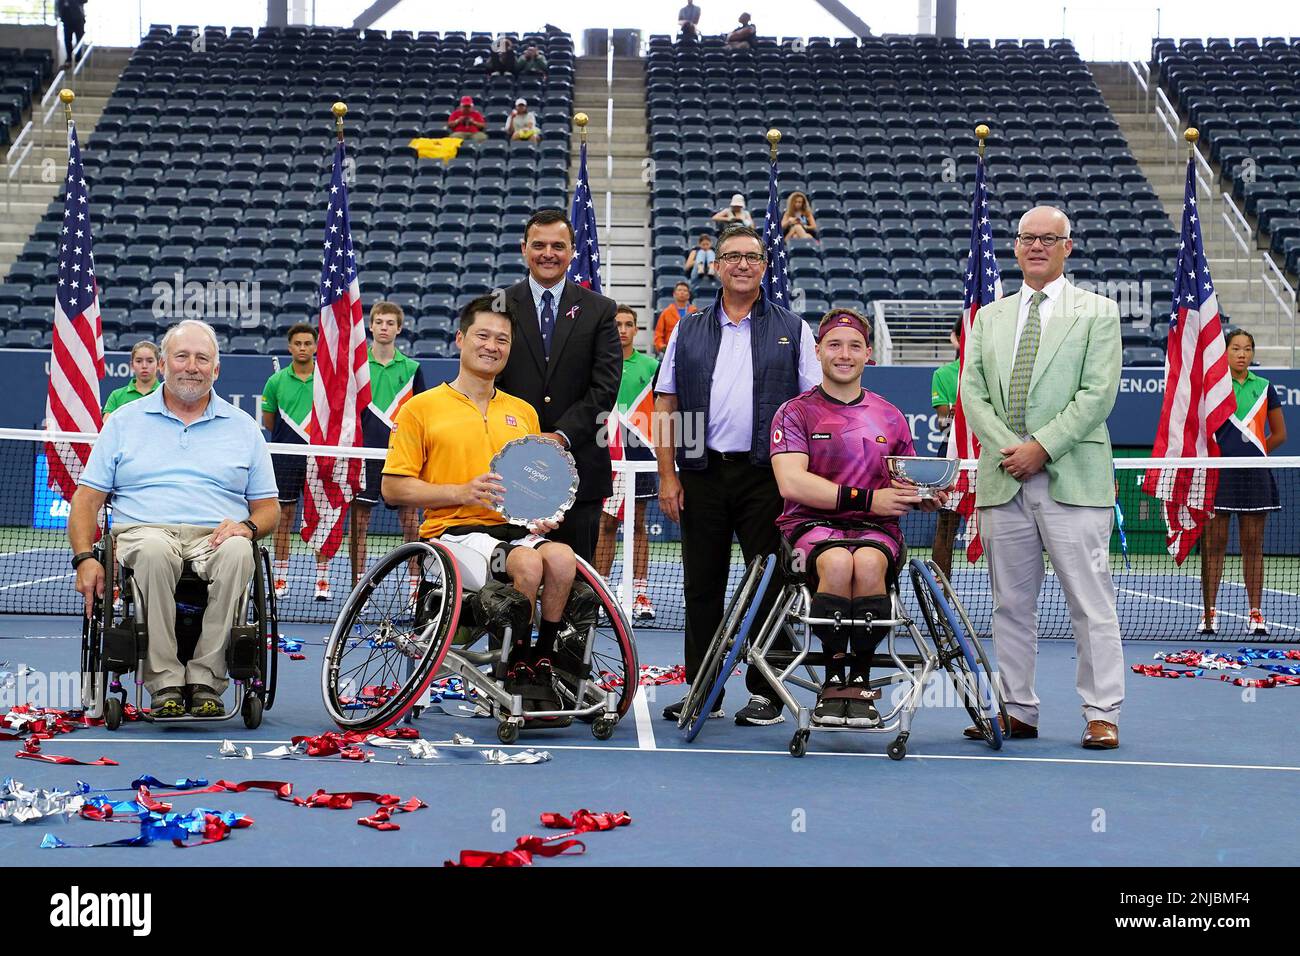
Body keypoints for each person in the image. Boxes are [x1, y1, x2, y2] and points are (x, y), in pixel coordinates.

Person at [959, 205, 1124, 750]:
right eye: (1028, 238)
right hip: (1003, 479)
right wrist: (1013, 451)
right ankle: (1016, 709)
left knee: (1090, 603)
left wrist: (1041, 448)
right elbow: (973, 393)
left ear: (1067, 248)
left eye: (1048, 239)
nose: (1036, 246)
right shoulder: (989, 316)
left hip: (1073, 480)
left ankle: (1102, 713)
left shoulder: (1098, 312)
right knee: (1011, 604)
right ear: (1015, 247)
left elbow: (1097, 396)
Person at [69, 319, 279, 718]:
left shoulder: (244, 428)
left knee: (240, 553)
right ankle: (164, 680)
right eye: (181, 356)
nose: (191, 366)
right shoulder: (123, 422)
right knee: (151, 551)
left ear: (215, 370)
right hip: (144, 531)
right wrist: (85, 558)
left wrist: (247, 527)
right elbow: (86, 500)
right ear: (163, 365)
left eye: (202, 358)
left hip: (215, 535)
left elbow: (269, 508)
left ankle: (206, 680)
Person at [655, 224, 821, 726]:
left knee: (770, 584)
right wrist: (668, 474)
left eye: (752, 256)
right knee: (701, 587)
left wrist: (802, 476)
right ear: (718, 266)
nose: (743, 264)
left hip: (766, 479)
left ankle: (766, 691)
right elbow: (667, 404)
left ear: (765, 266)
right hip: (702, 475)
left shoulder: (794, 328)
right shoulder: (688, 329)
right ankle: (702, 689)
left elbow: (813, 407)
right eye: (732, 257)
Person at [382, 295, 576, 711]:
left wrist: (540, 516)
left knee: (561, 558)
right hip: (450, 536)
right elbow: (394, 490)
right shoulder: (420, 408)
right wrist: (461, 492)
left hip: (511, 533)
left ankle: (538, 658)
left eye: (502, 340)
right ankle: (513, 669)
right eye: (482, 336)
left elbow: (529, 486)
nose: (492, 346)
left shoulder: (523, 413)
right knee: (526, 564)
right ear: (460, 339)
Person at [772, 310, 945, 726]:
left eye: (854, 346)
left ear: (869, 353)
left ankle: (860, 681)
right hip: (807, 530)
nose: (844, 354)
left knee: (866, 563)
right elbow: (792, 484)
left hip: (876, 533)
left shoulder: (891, 416)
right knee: (837, 562)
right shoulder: (794, 413)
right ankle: (835, 681)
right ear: (818, 352)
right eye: (834, 345)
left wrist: (922, 497)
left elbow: (902, 482)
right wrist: (870, 500)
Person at [498, 209, 622, 563]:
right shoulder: (499, 305)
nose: (548, 253)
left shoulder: (600, 310)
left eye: (558, 245)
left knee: (576, 584)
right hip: (510, 473)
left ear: (572, 252)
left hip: (579, 472)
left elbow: (605, 387)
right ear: (524, 249)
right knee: (511, 583)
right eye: (539, 245)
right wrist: (525, 442)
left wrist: (561, 436)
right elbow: (491, 382)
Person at [1200, 327, 1287, 636]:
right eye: (1235, 348)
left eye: (1247, 349)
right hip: (1219, 475)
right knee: (1214, 546)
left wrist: (1257, 452)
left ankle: (1255, 613)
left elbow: (1279, 434)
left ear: (1252, 353)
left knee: (1253, 545)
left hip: (1254, 476)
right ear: (1224, 352)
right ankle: (1209, 614)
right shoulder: (1213, 388)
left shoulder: (1265, 387)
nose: (1241, 354)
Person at [350, 301, 427, 590]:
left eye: (390, 323)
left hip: (401, 455)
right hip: (363, 456)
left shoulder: (412, 368)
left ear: (399, 328)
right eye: (379, 322)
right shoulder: (357, 369)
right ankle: (358, 587)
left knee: (410, 524)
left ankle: (414, 585)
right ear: (371, 326)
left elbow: (422, 414)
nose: (384, 327)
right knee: (359, 527)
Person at [594, 305, 659, 622]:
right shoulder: (599, 364)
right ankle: (600, 592)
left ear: (636, 330)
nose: (622, 329)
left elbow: (663, 409)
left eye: (628, 324)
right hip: (606, 455)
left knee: (637, 523)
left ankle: (640, 592)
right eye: (617, 324)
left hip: (640, 455)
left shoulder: (651, 366)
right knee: (605, 524)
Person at [261, 323, 332, 602]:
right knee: (284, 518)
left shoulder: (325, 379)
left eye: (308, 343)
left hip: (319, 457)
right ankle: (280, 578)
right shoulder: (276, 381)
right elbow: (269, 421)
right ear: (290, 347)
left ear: (315, 347)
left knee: (321, 518)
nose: (303, 348)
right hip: (285, 457)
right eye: (298, 344)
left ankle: (323, 581)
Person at [930, 321, 962, 579]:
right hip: (953, 454)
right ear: (955, 338)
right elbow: (944, 424)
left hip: (992, 454)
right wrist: (954, 415)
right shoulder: (944, 374)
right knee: (947, 526)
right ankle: (941, 596)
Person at [102, 340, 161, 419]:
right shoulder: (116, 396)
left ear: (158, 364)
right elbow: (108, 427)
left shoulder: (168, 396)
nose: (144, 366)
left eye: (150, 361)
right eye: (139, 361)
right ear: (132, 365)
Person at [655, 282, 697, 357]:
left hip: (690, 350)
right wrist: (662, 347)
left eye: (685, 290)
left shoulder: (695, 312)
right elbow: (658, 334)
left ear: (688, 295)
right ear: (674, 294)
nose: (682, 292)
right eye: (679, 290)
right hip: (670, 351)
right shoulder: (666, 312)